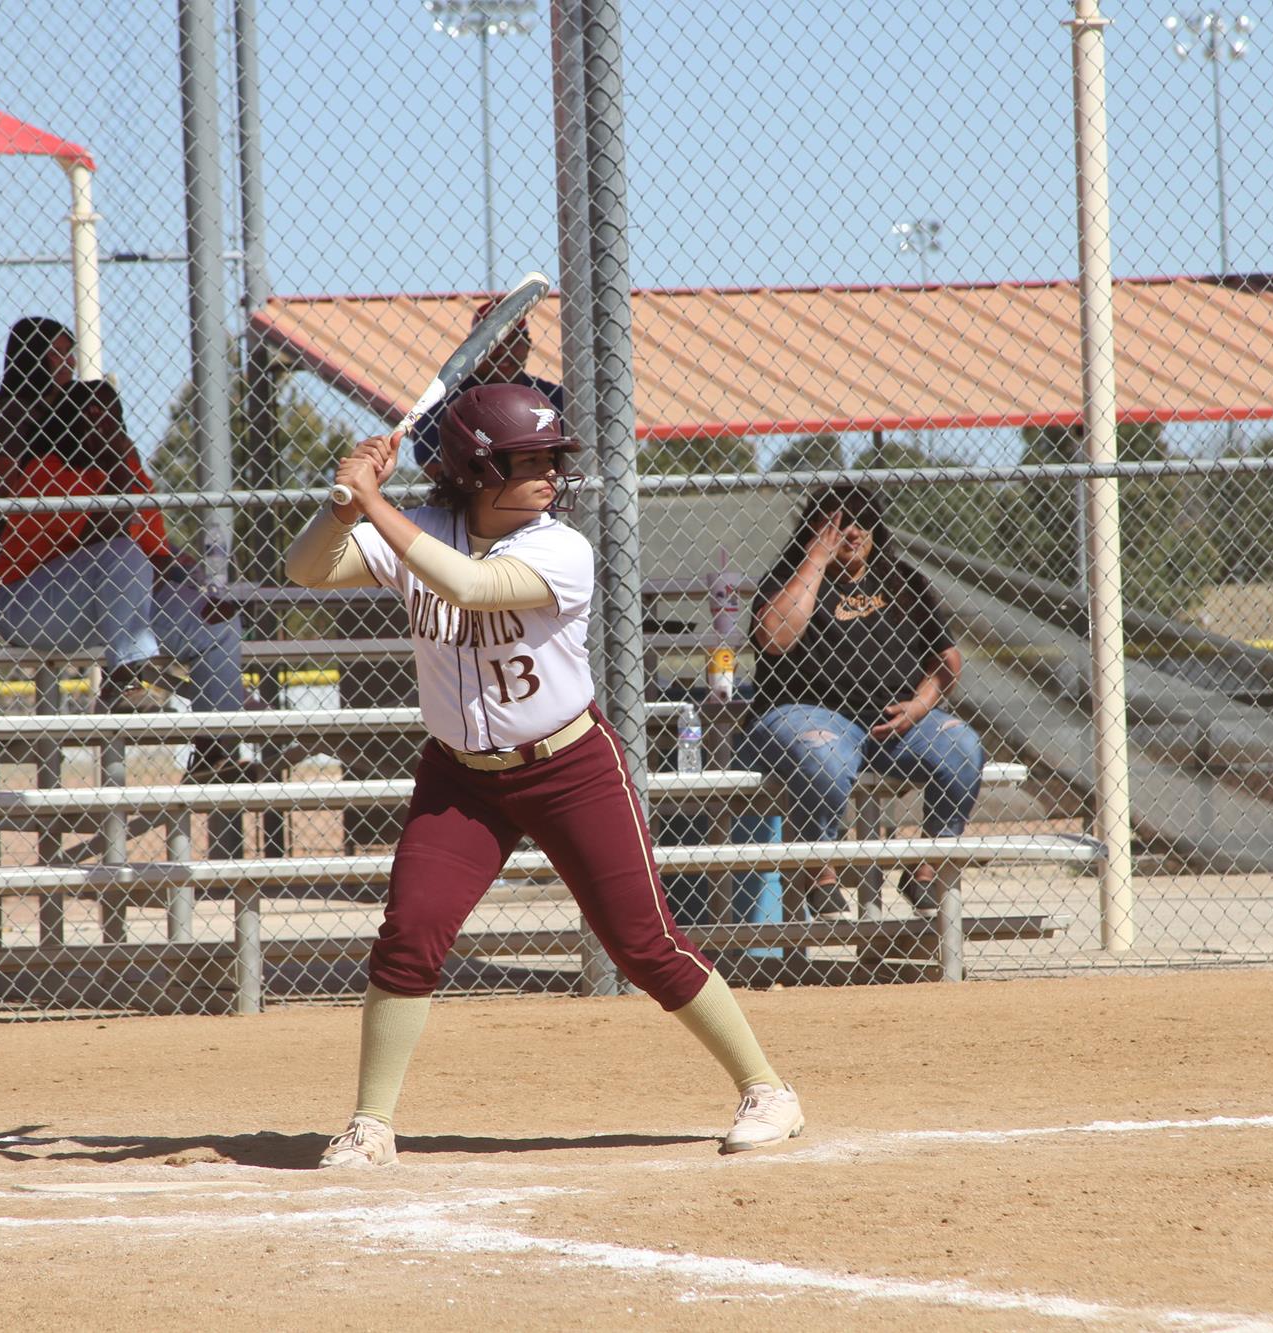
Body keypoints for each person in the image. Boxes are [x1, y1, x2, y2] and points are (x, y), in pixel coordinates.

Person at [286, 383, 804, 1167]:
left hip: (569, 766)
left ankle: (768, 1087)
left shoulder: (561, 548)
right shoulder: (420, 526)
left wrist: (375, 506)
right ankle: (371, 1122)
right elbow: (307, 570)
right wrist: (346, 505)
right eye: (523, 461)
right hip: (461, 778)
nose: (546, 474)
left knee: (643, 942)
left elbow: (471, 585)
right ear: (472, 469)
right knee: (410, 933)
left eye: (550, 459)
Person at [0, 321, 249, 751]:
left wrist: (198, 586)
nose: (106, 428)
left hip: (115, 606)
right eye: (90, 419)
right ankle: (123, 681)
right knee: (122, 556)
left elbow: (156, 554)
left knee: (217, 619)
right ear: (68, 428)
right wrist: (120, 472)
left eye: (112, 418)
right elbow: (106, 539)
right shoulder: (44, 469)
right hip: (36, 598)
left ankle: (219, 753)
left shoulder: (130, 474)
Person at [741, 481, 985, 918]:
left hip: (896, 723)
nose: (854, 532)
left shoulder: (903, 580)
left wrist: (921, 705)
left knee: (962, 746)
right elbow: (776, 639)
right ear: (815, 529)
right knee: (823, 756)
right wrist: (817, 558)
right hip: (807, 716)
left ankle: (925, 867)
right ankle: (818, 868)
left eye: (865, 522)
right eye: (840, 523)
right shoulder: (787, 578)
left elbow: (946, 660)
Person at [408, 295, 567, 477]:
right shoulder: (446, 402)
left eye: (513, 340)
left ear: (528, 345)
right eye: (492, 341)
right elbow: (431, 462)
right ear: (473, 348)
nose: (503, 350)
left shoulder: (552, 396)